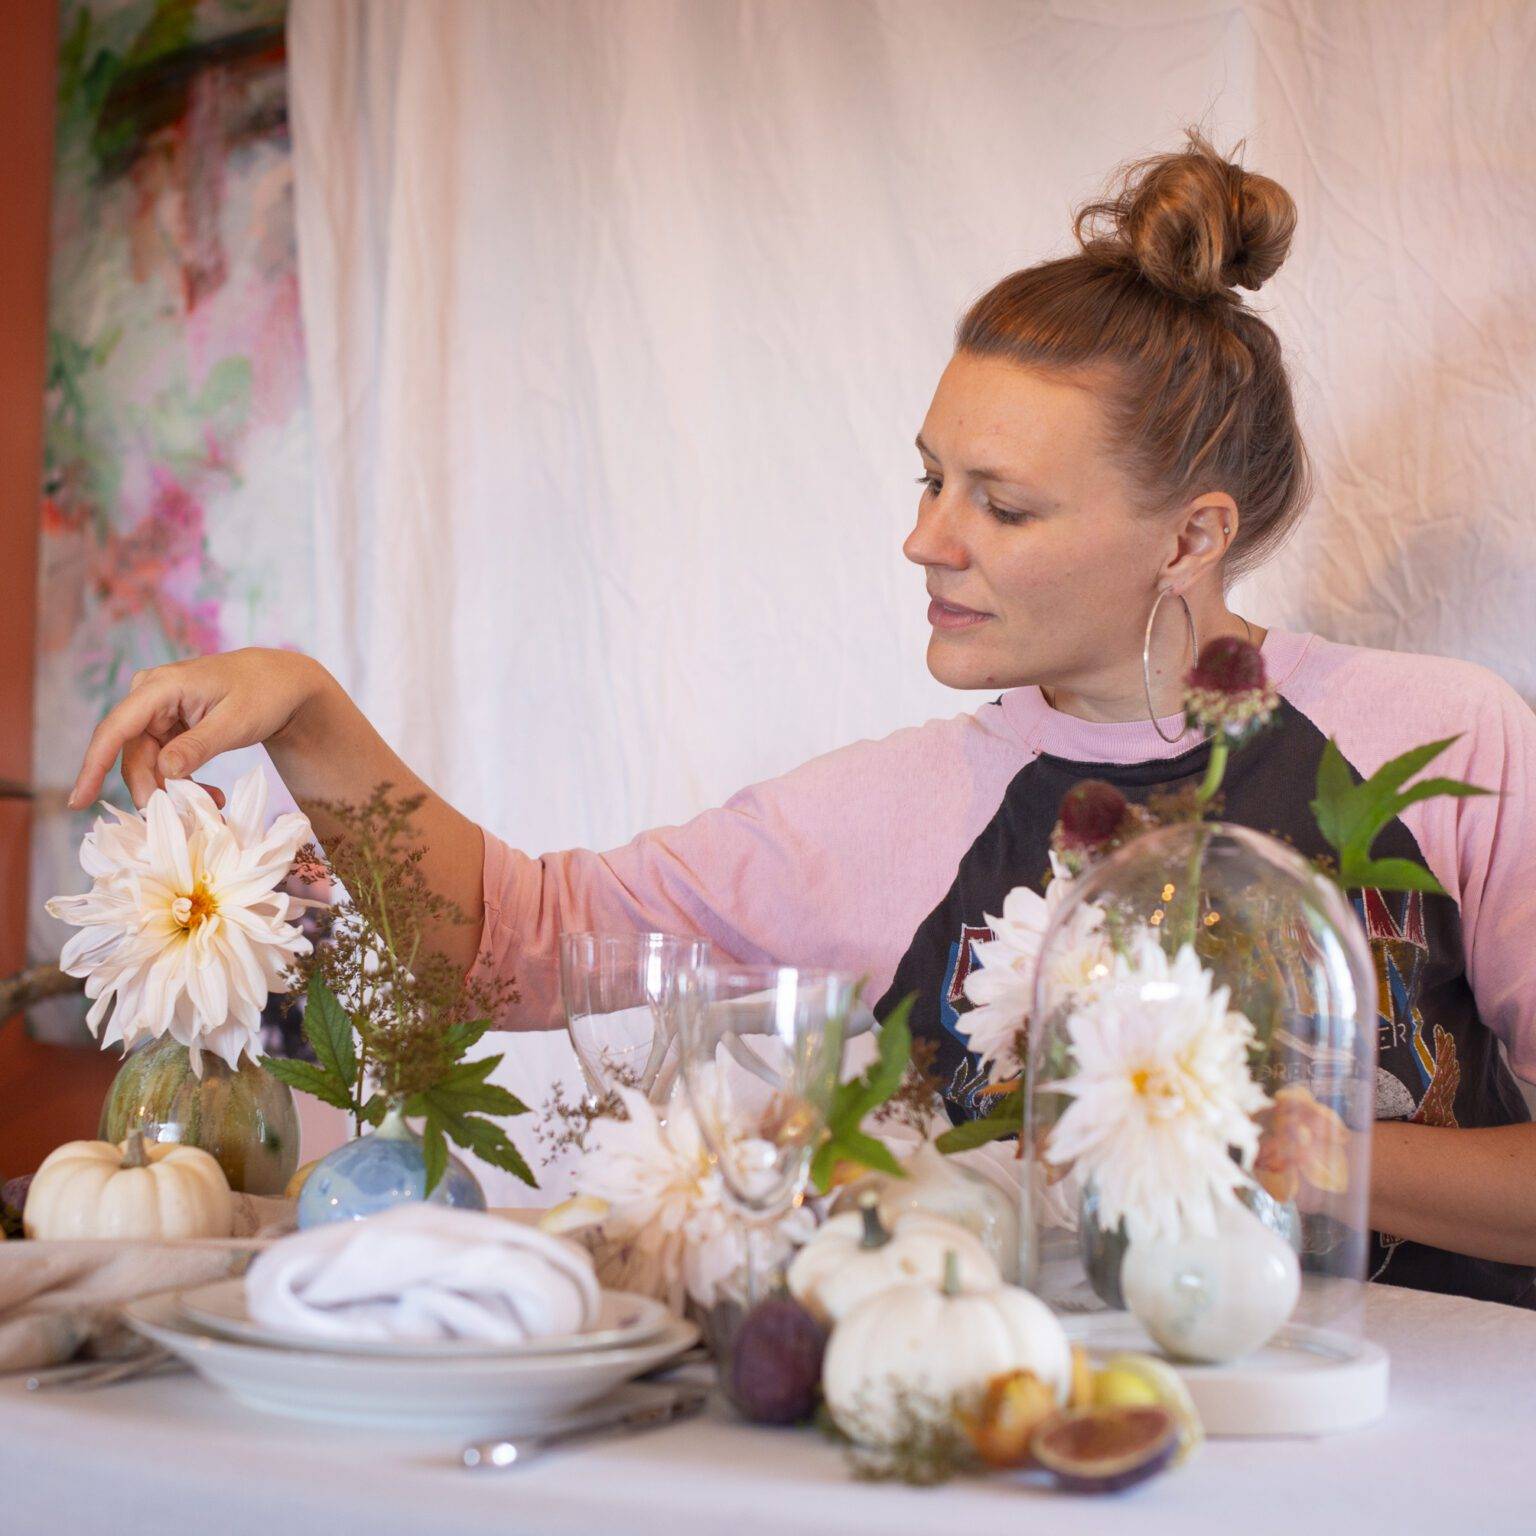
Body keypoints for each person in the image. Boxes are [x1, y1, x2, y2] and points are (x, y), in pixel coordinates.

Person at [67, 134, 1536, 1306]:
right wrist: (310, 715)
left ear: (1190, 535)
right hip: (1009, 1455)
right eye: (929, 479)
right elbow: (500, 952)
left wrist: (1325, 1161)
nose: (926, 542)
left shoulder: (1447, 744)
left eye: (1001, 504)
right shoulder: (882, 815)